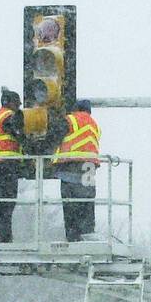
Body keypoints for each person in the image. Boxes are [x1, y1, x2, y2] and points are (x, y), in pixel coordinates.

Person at [53, 100, 101, 242]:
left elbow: (55, 136)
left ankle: (73, 237)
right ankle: (87, 234)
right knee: (86, 203)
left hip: (71, 166)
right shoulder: (94, 124)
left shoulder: (70, 119)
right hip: (89, 168)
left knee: (70, 204)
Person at [0, 87, 27, 243]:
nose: (19, 107)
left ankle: (3, 237)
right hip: (4, 166)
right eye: (18, 103)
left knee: (5, 203)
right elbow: (16, 129)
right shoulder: (8, 116)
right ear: (10, 103)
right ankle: (1, 238)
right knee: (7, 203)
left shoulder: (0, 115)